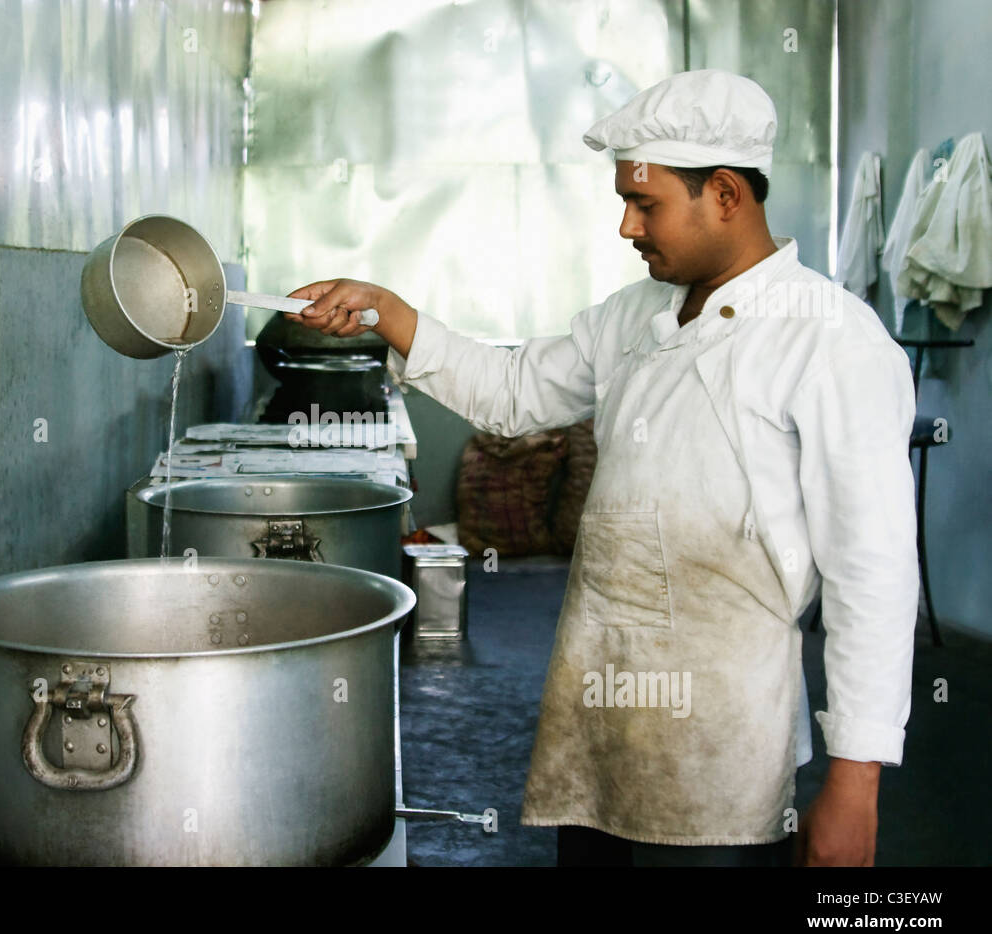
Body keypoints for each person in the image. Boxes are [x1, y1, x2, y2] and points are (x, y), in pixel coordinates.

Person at [283, 69, 917, 867]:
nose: (625, 227)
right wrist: (390, 310)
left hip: (721, 746)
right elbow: (513, 392)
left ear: (725, 194)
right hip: (599, 716)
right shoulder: (635, 316)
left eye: (644, 204)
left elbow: (874, 574)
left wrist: (855, 786)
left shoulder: (831, 342)